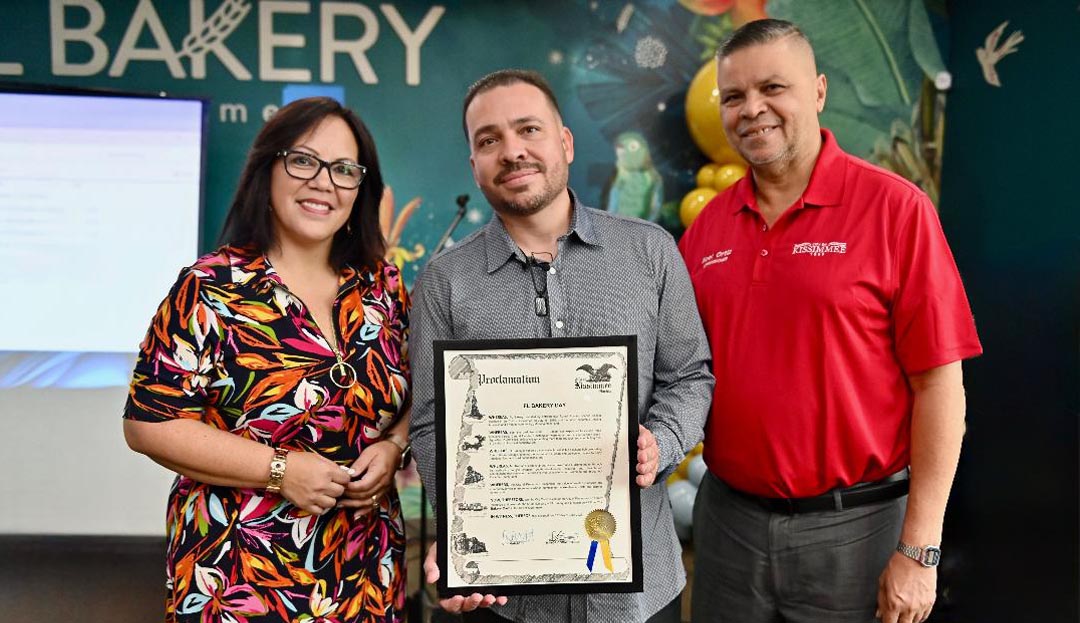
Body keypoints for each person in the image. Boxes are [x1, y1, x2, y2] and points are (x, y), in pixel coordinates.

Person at [678, 19, 983, 623]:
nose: (752, 109)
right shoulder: (706, 229)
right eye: (734, 97)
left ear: (818, 91)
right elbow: (680, 372)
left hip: (857, 532)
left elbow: (941, 386)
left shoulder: (896, 210)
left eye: (773, 88)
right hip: (728, 527)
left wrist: (919, 552)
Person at [408, 69, 714, 623]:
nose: (512, 151)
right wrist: (463, 524)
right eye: (489, 140)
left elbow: (690, 376)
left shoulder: (649, 253)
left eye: (529, 129)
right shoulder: (443, 283)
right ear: (473, 165)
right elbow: (431, 423)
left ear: (565, 143)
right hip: (506, 600)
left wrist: (662, 441)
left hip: (639, 593)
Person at [123, 97, 412, 622]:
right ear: (268, 169)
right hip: (239, 575)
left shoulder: (382, 286)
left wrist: (394, 445)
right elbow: (149, 424)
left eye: (344, 169)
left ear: (360, 189)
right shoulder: (209, 288)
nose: (324, 182)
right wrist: (279, 470)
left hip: (366, 570)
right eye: (304, 161)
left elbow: (421, 393)